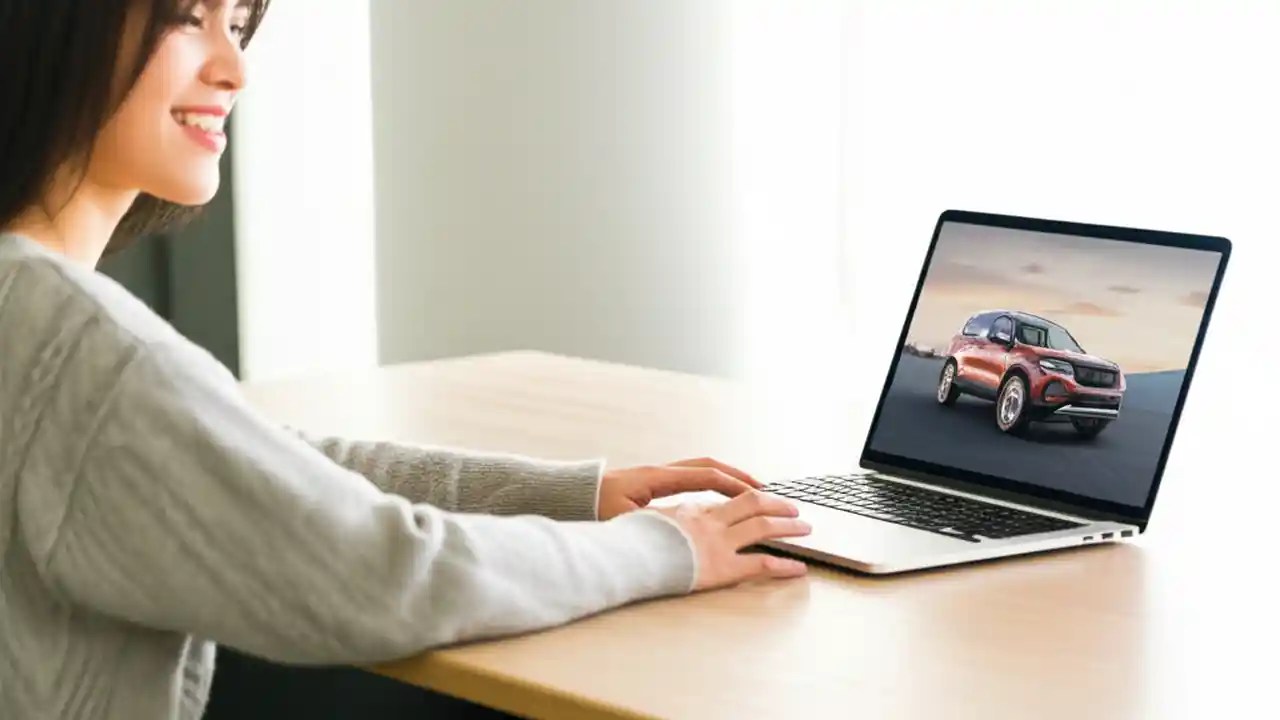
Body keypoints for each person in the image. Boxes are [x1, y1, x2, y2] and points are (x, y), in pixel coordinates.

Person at [0, 2, 812, 718]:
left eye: (239, 24)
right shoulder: (72, 345)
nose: (236, 69)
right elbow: (379, 574)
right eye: (187, 19)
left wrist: (574, 497)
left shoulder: (34, 315)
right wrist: (670, 549)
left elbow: (259, 465)